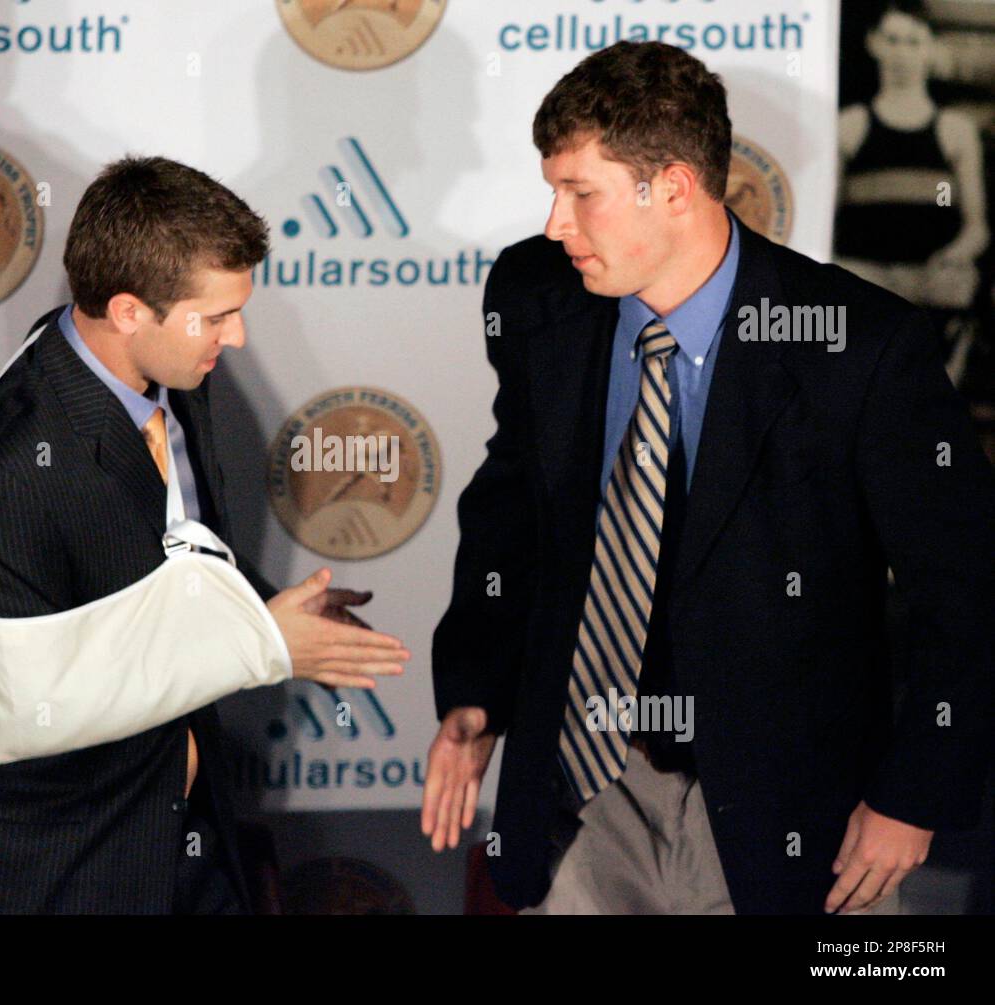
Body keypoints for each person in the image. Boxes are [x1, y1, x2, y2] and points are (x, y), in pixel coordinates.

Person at [422, 41, 995, 915]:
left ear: (677, 188)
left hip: (798, 815)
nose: (554, 225)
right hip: (588, 793)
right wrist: (474, 694)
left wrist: (913, 793)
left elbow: (965, 594)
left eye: (582, 194)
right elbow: (510, 513)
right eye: (552, 191)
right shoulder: (538, 296)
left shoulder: (863, 348)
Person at [0, 154, 410, 914]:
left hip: (194, 837)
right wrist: (263, 642)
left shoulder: (172, 373)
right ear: (129, 309)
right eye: (218, 315)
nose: (239, 338)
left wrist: (275, 611)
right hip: (74, 866)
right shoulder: (8, 469)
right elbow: (26, 707)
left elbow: (179, 551)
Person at [834, 0, 988, 384]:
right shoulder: (849, 127)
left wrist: (954, 255)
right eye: (893, 40)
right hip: (868, 276)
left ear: (930, 49)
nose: (902, 53)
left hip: (930, 278)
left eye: (913, 42)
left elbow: (976, 228)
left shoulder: (955, 131)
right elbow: (826, 219)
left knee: (954, 285)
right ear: (874, 43)